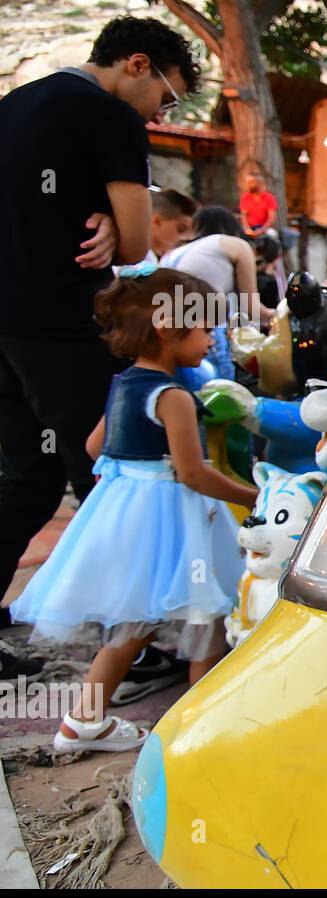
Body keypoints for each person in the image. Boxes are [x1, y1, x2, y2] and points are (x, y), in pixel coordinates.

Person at [0, 16, 199, 681]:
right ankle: (129, 641)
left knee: (26, 477)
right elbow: (143, 246)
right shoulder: (108, 114)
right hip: (60, 318)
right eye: (166, 98)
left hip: (6, 323)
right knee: (116, 474)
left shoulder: (16, 104)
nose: (161, 111)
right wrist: (120, 228)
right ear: (137, 64)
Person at [11, 267, 255, 751]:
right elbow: (192, 472)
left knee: (134, 625)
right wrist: (254, 496)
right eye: (206, 328)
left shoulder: (123, 384)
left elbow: (92, 446)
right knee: (207, 618)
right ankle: (197, 728)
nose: (213, 339)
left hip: (129, 515)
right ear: (168, 329)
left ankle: (83, 721)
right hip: (177, 519)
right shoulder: (174, 396)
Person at [161, 205, 275, 378]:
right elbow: (252, 309)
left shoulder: (173, 253)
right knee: (219, 397)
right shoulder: (236, 246)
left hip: (166, 337)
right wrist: (282, 316)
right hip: (203, 334)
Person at [117, 188, 197, 272]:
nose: (183, 239)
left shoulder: (156, 262)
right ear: (156, 221)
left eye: (189, 237)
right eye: (181, 229)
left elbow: (178, 285)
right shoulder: (131, 258)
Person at [239, 171, 278, 237]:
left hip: (264, 228)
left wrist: (262, 230)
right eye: (248, 183)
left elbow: (271, 218)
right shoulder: (245, 197)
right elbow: (243, 216)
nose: (248, 185)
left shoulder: (269, 198)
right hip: (249, 227)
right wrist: (247, 228)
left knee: (272, 235)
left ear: (259, 184)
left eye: (251, 183)